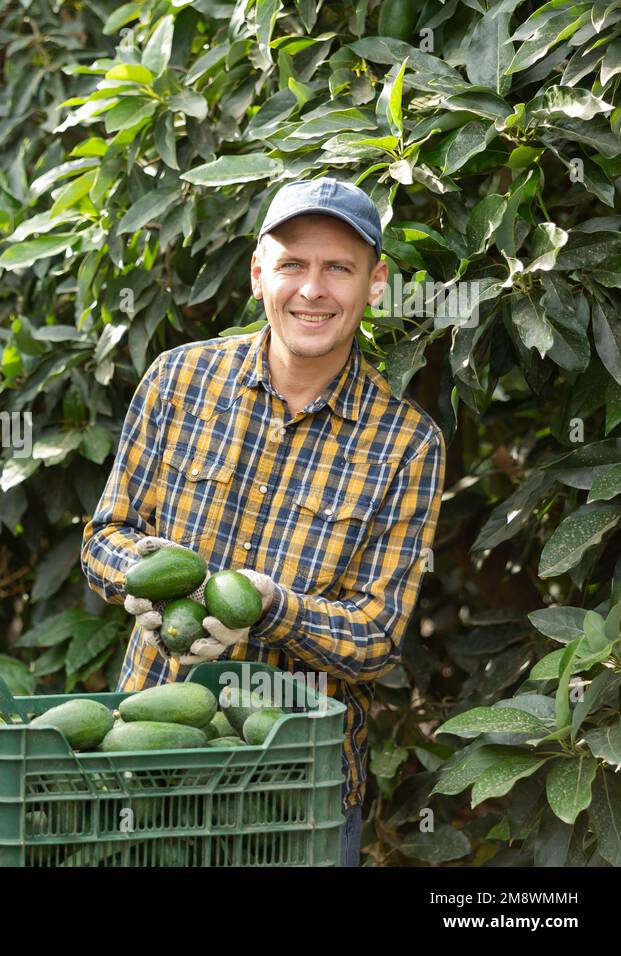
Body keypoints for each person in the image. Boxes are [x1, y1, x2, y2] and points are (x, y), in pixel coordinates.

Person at [81, 177, 445, 867]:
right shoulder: (176, 381)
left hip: (295, 791)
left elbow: (376, 637)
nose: (313, 289)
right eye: (292, 264)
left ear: (375, 283)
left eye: (338, 267)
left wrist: (274, 610)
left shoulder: (407, 443)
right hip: (152, 757)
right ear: (258, 274)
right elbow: (104, 535)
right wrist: (139, 574)